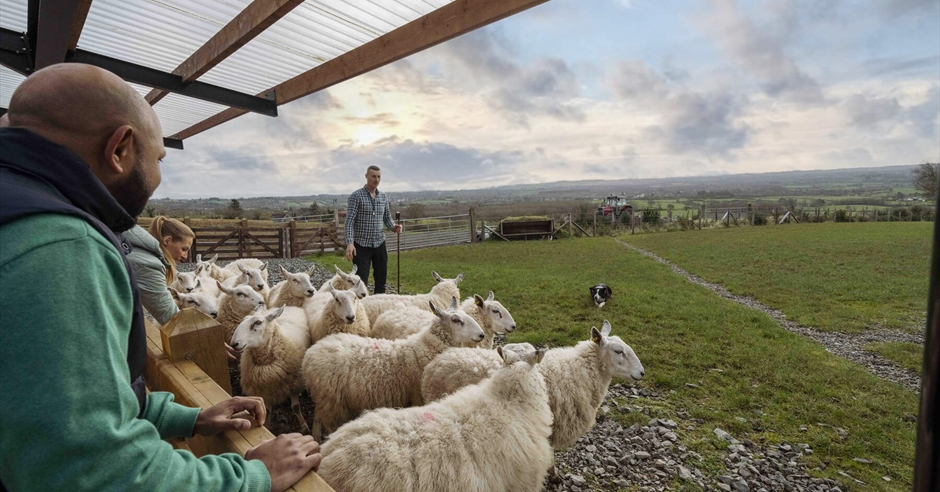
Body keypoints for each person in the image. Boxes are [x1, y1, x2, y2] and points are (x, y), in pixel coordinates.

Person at [0, 63, 320, 492]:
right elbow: (96, 471)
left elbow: (48, 402)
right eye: (158, 158)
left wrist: (186, 416)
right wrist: (251, 477)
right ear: (121, 149)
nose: (159, 175)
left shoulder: (18, 208)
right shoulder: (61, 245)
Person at [125, 216, 194, 325]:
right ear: (167, 240)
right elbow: (170, 317)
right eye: (184, 249)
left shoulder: (134, 243)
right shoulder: (148, 265)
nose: (185, 256)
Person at [344, 165, 402, 293]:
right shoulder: (356, 196)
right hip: (361, 245)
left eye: (379, 177)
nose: (376, 179)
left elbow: (387, 218)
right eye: (373, 176)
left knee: (381, 280)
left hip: (380, 244)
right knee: (361, 282)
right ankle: (361, 309)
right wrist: (349, 243)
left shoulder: (383, 197)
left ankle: (378, 307)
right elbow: (349, 221)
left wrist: (394, 227)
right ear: (366, 176)